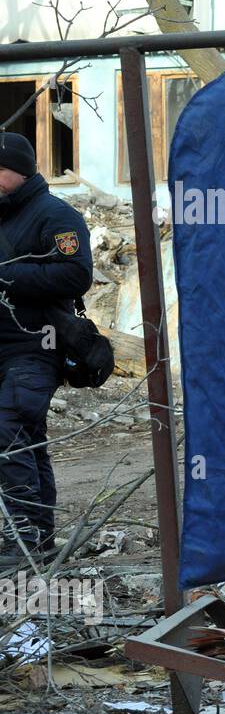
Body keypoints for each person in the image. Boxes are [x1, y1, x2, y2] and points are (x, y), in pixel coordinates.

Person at [0, 132, 92, 565]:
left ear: (20, 170)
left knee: (9, 435)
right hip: (3, 350)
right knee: (27, 441)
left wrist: (8, 276)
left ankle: (23, 542)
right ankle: (35, 540)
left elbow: (76, 275)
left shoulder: (55, 216)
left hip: (37, 347)